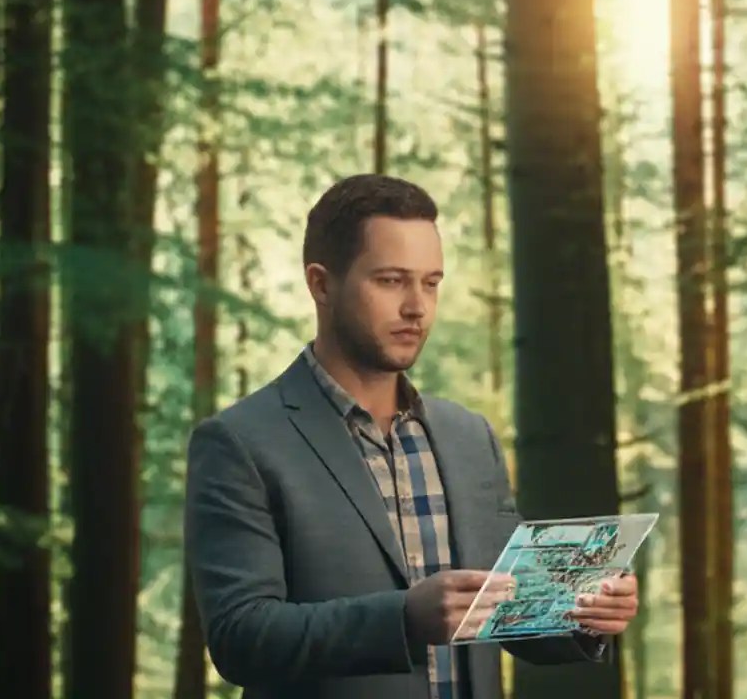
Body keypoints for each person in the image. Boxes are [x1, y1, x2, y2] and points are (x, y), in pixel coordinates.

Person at [184, 175, 639, 698]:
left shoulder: (469, 438)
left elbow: (510, 611)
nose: (417, 308)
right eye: (391, 280)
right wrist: (403, 619)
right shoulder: (240, 442)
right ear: (321, 284)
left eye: (431, 282)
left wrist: (585, 612)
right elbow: (241, 638)